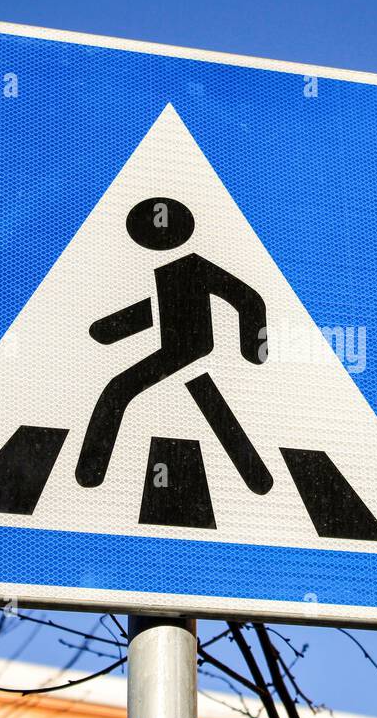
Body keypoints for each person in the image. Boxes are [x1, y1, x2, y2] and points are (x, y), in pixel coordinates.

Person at [76, 196, 272, 495]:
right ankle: (259, 480)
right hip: (181, 351)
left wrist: (255, 350)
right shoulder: (169, 272)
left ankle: (90, 473)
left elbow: (247, 299)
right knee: (214, 410)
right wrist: (106, 330)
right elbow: (155, 311)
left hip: (189, 351)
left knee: (118, 391)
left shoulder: (195, 266)